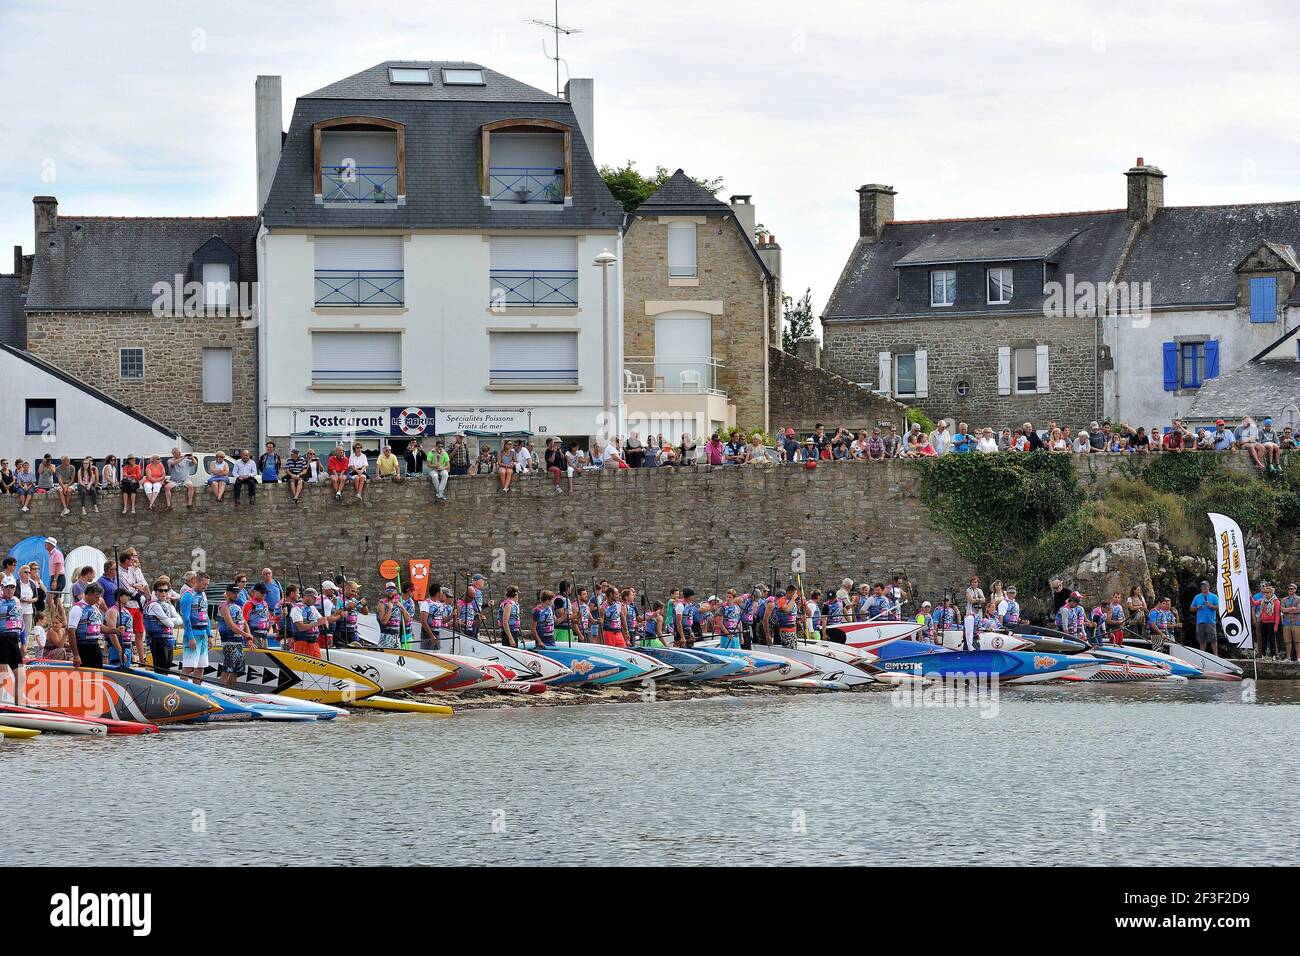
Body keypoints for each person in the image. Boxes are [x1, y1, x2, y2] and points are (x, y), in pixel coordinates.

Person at [216, 582, 252, 686]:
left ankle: (233, 692)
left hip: (239, 642)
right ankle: (222, 693)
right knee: (227, 669)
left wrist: (249, 638)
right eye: (233, 593)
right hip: (228, 642)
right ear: (227, 593)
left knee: (235, 671)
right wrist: (247, 635)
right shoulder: (223, 606)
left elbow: (245, 624)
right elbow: (231, 625)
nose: (236, 595)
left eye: (237, 592)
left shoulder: (237, 607)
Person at [178, 571, 212, 682]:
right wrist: (191, 637)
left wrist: (209, 634)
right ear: (196, 581)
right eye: (204, 584)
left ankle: (197, 690)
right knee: (188, 667)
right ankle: (183, 691)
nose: (205, 587)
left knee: (201, 667)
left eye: (207, 584)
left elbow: (206, 615)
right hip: (193, 634)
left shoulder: (203, 595)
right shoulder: (188, 595)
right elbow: (186, 618)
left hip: (203, 634)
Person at [0, 577, 27, 705]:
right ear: (2, 588)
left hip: (14, 641)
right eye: (7, 587)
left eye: (12, 587)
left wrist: (24, 642)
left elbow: (20, 623)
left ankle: (19, 706)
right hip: (2, 640)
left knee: (21, 676)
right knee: (2, 676)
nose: (10, 589)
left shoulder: (16, 601)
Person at [67, 582, 106, 668]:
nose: (98, 600)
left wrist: (115, 630)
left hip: (95, 644)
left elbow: (100, 627)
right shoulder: (77, 608)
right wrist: (76, 655)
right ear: (89, 594)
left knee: (98, 674)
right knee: (85, 676)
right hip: (83, 646)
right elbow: (71, 632)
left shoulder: (94, 608)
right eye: (96, 597)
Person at [104, 588, 140, 669]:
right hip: (116, 649)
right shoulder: (112, 611)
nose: (129, 598)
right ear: (119, 597)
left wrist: (131, 652)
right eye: (126, 596)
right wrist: (120, 651)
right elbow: (112, 633)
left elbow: (129, 631)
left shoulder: (126, 611)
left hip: (127, 648)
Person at [287, 586, 323, 658]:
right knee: (305, 666)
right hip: (302, 641)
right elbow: (300, 627)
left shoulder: (312, 608)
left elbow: (321, 619)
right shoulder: (296, 608)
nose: (316, 601)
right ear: (307, 597)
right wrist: (317, 623)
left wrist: (325, 620)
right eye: (314, 598)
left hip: (314, 641)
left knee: (319, 664)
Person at [1190, 580, 1220, 655]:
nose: (1203, 587)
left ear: (1208, 587)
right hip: (1200, 622)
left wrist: (1210, 606)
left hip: (1210, 622)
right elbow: (1191, 608)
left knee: (1213, 640)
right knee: (1202, 641)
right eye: (1202, 586)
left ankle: (1216, 656)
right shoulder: (1197, 597)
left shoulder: (1214, 597)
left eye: (1205, 586)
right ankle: (1203, 656)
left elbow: (1219, 608)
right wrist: (1197, 607)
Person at [243, 583, 276, 649]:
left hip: (264, 637)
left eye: (265, 592)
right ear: (255, 591)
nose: (264, 594)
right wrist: (249, 639)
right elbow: (243, 623)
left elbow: (269, 620)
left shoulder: (265, 604)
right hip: (254, 636)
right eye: (262, 592)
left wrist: (281, 616)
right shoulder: (249, 604)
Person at [376, 582, 409, 648]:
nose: (390, 592)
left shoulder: (399, 603)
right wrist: (390, 608)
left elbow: (407, 620)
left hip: (396, 637)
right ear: (385, 591)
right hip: (386, 636)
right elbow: (383, 622)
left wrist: (402, 607)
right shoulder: (382, 603)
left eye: (392, 589)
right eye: (388, 589)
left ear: (395, 590)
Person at [1253, 584, 1282, 658]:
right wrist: (1249, 596)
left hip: (1271, 623)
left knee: (1272, 640)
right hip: (1263, 622)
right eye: (1265, 592)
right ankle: (1263, 655)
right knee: (1264, 639)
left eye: (1268, 592)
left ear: (1272, 593)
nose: (1266, 594)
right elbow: (1254, 603)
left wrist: (1276, 625)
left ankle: (1273, 655)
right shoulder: (1262, 600)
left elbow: (1277, 614)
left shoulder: (1276, 601)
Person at [1281, 583, 1300, 663]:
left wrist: (1287, 609)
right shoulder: (1284, 599)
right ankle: (1288, 658)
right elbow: (1282, 609)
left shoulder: (1299, 599)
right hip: (1286, 623)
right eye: (1289, 589)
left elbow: (1298, 610)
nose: (1290, 590)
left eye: (1292, 589)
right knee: (1287, 641)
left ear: (1295, 590)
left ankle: (1298, 658)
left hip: (1297, 623)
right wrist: (1292, 608)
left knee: (1297, 641)